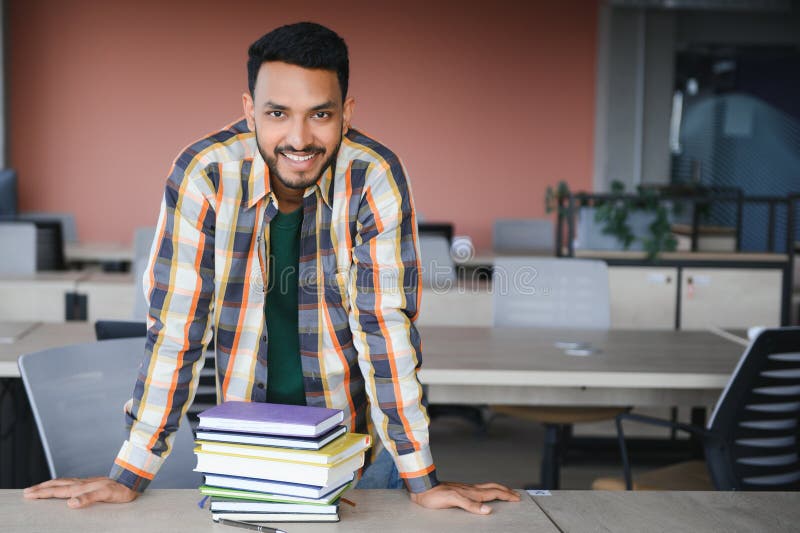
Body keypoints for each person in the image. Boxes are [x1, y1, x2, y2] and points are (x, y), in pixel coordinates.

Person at [23, 22, 520, 514]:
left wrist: (421, 478)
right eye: (277, 113)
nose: (298, 138)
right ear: (249, 109)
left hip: (356, 458)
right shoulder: (206, 176)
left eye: (320, 114)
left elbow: (385, 329)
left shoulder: (374, 176)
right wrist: (130, 473)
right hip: (245, 456)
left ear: (346, 114)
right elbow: (177, 330)